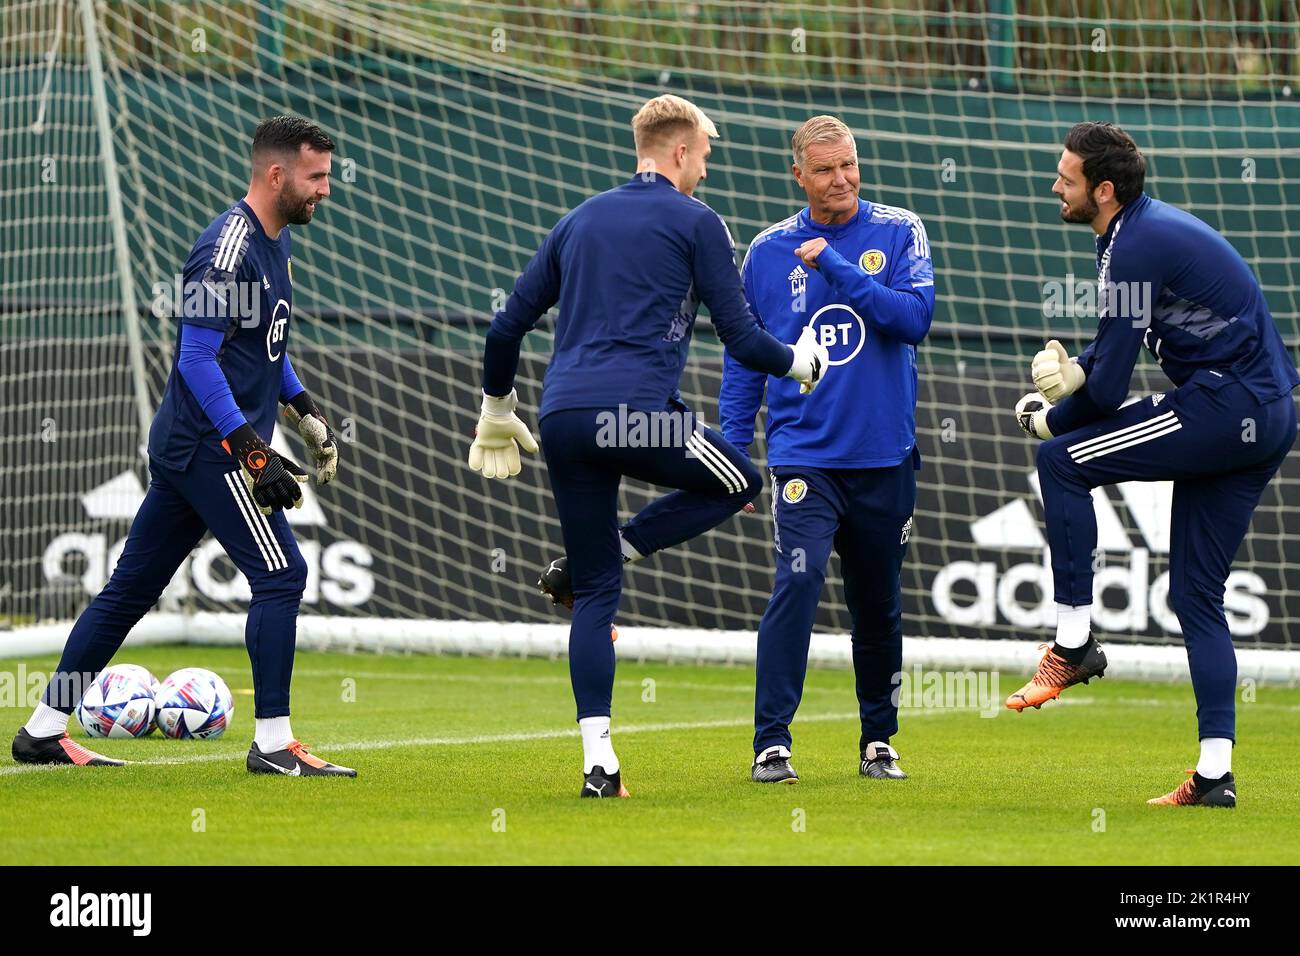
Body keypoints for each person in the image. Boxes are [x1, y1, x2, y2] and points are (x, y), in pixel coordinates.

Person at [467, 94, 827, 798]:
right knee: (740, 482)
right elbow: (746, 340)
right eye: (706, 158)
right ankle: (618, 548)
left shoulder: (577, 220)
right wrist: (800, 364)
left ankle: (599, 764)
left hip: (563, 420)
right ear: (681, 151)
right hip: (637, 421)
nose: (707, 173)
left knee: (597, 589)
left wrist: (495, 406)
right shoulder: (697, 221)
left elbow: (503, 329)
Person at [12, 116, 354, 778]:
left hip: (196, 444)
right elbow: (197, 359)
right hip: (209, 446)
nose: (326, 191)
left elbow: (261, 348)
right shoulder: (224, 248)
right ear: (277, 175)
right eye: (317, 178)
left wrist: (303, 407)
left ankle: (43, 730)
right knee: (283, 575)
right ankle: (275, 745)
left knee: (129, 588)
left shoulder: (275, 243)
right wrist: (252, 449)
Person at [1011, 121, 1298, 808]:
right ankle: (1214, 776)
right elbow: (1110, 358)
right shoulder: (1135, 233)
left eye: (1067, 177)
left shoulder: (1133, 244)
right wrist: (1077, 368)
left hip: (1227, 408)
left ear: (1102, 190)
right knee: (1195, 599)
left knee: (1062, 462)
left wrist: (1052, 415)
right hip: (1264, 413)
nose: (1056, 185)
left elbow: (1109, 390)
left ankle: (1074, 645)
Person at [720, 115, 934, 784]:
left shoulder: (899, 231)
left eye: (849, 164)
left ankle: (878, 741)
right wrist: (733, 452)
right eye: (824, 169)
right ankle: (771, 744)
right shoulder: (767, 250)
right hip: (804, 458)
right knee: (799, 580)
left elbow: (913, 320)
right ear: (799, 176)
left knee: (877, 601)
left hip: (883, 457)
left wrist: (838, 267)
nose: (840, 178)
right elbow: (744, 360)